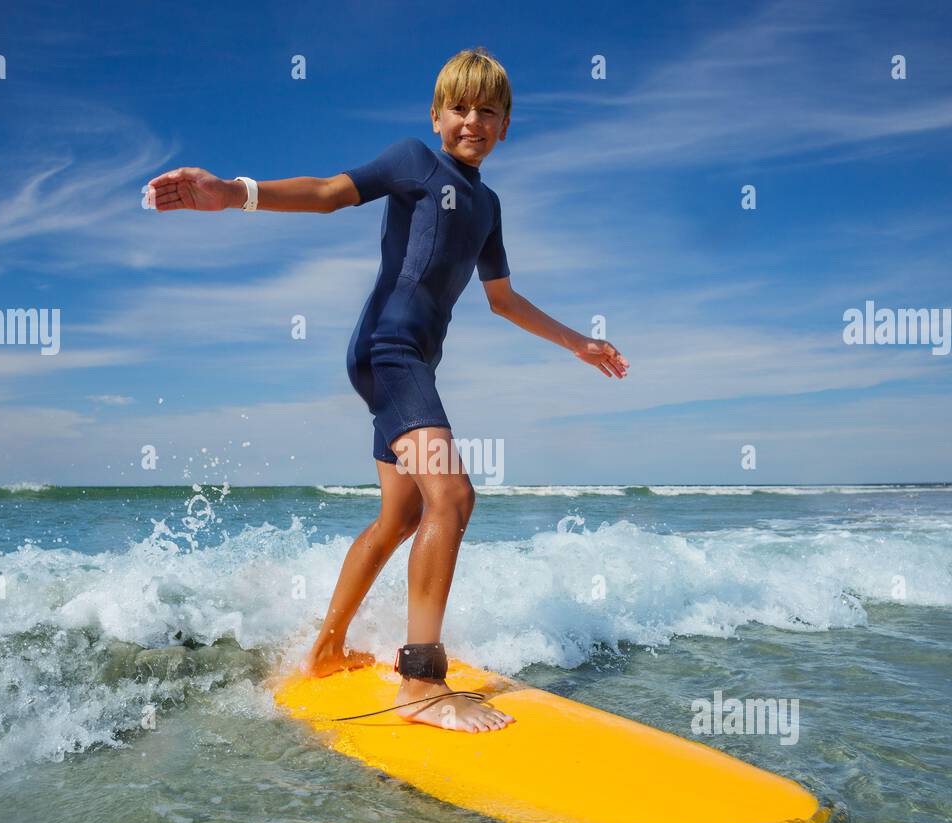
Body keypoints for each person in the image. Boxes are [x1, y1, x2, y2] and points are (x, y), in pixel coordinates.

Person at [147, 48, 628, 733]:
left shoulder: (488, 207)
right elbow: (326, 193)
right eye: (459, 107)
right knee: (454, 495)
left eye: (488, 110)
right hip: (389, 350)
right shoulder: (413, 161)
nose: (473, 120)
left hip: (410, 366)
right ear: (436, 117)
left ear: (506, 125)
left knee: (404, 516)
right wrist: (233, 192)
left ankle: (323, 650)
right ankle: (421, 685)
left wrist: (578, 341)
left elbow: (505, 300)